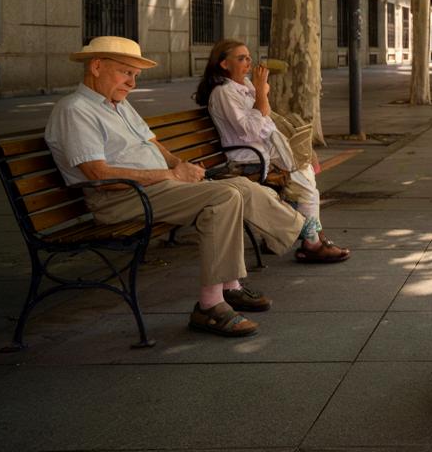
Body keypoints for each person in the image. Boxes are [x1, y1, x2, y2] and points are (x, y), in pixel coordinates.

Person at [45, 36, 310, 338]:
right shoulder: (75, 109)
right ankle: (211, 305)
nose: (132, 82)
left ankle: (297, 238)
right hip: (120, 198)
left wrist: (180, 166)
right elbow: (98, 174)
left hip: (154, 187)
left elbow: (153, 143)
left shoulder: (119, 105)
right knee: (224, 197)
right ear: (96, 66)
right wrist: (170, 175)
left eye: (135, 75)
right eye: (126, 72)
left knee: (239, 186)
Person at [195, 39, 351, 263]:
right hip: (249, 158)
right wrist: (261, 93)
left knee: (305, 175)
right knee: (305, 184)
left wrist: (260, 93)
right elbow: (250, 131)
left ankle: (308, 239)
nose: (248, 62)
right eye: (241, 58)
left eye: (249, 57)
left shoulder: (244, 85)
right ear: (224, 64)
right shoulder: (223, 93)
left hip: (265, 152)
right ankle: (313, 243)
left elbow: (265, 119)